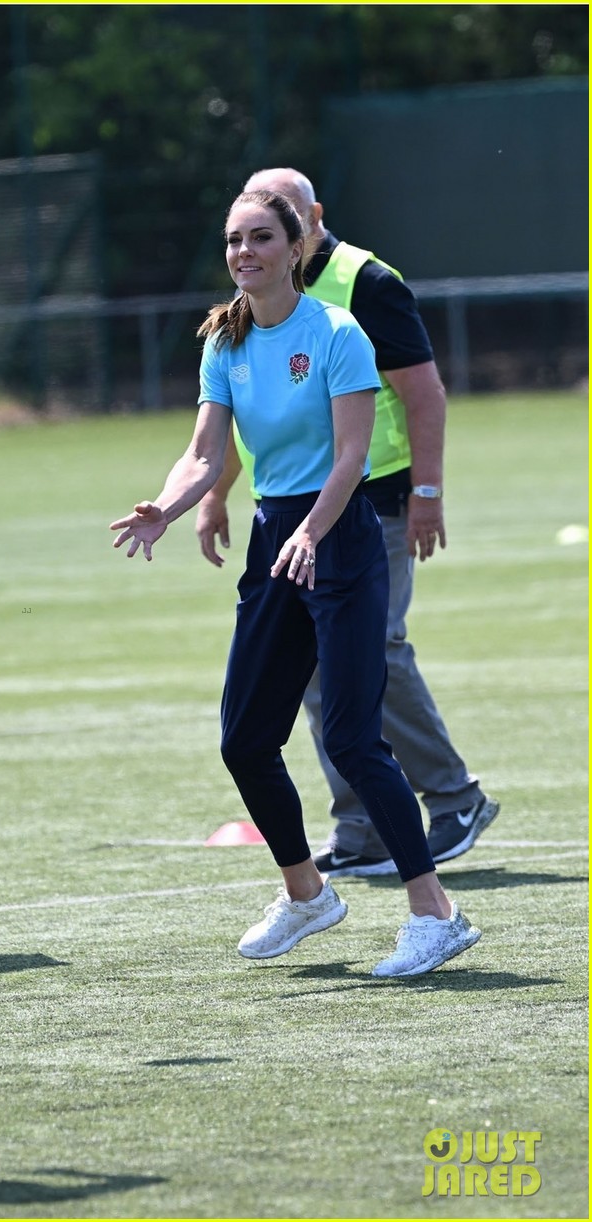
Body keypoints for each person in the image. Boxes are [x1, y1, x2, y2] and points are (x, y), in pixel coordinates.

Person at [110, 189, 481, 978]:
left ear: (293, 248)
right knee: (245, 738)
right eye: (232, 240)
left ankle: (434, 913)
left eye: (259, 238)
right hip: (276, 539)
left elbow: (350, 455)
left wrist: (313, 530)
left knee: (351, 737)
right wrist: (167, 508)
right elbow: (205, 452)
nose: (243, 252)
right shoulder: (224, 338)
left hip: (338, 537)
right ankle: (306, 894)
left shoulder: (337, 331)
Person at [196, 167, 498, 876]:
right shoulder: (241, 319)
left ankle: (453, 798)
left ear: (307, 223)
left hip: (371, 501)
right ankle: (358, 826)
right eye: (237, 234)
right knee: (308, 674)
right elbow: (254, 415)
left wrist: (426, 489)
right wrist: (212, 491)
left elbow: (422, 394)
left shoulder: (365, 286)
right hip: (288, 511)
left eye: (270, 228)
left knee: (373, 651)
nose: (252, 246)